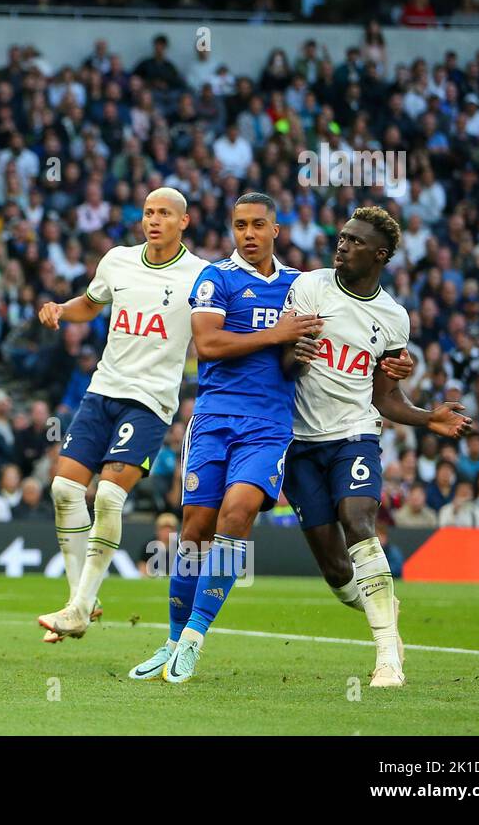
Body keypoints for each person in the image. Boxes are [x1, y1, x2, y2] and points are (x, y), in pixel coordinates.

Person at [130, 193, 319, 684]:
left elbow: (296, 355)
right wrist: (277, 334)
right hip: (213, 420)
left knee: (236, 515)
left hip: (268, 425)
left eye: (259, 224)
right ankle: (169, 641)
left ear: (276, 229)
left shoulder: (300, 286)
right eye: (240, 225)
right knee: (194, 531)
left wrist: (300, 347)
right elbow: (209, 345)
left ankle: (192, 638)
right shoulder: (215, 278)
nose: (249, 234)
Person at [281, 207, 471, 687]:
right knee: (335, 570)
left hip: (355, 433)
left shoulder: (392, 318)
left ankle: (388, 655)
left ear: (380, 255)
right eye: (341, 237)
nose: (341, 245)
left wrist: (428, 417)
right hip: (301, 440)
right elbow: (282, 361)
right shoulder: (309, 287)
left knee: (358, 519)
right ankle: (382, 605)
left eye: (353, 241)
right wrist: (293, 356)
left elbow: (384, 397)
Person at [35, 188, 209, 642]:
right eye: (149, 212)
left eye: (164, 214)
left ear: (183, 222)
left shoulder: (201, 276)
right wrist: (60, 310)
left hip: (150, 402)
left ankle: (79, 606)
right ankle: (81, 602)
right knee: (64, 489)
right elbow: (90, 304)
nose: (154, 220)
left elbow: (221, 327)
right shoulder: (117, 260)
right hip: (102, 391)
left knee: (109, 498)